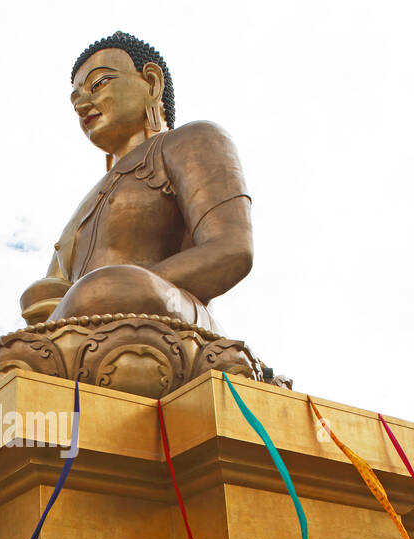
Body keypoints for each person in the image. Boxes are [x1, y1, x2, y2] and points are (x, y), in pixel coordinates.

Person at [18, 32, 253, 333]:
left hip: (169, 315)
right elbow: (61, 294)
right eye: (76, 98)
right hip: (84, 327)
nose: (82, 104)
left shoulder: (192, 140)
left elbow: (233, 249)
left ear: (152, 83)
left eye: (99, 84)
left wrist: (121, 289)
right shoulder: (87, 202)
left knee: (102, 288)